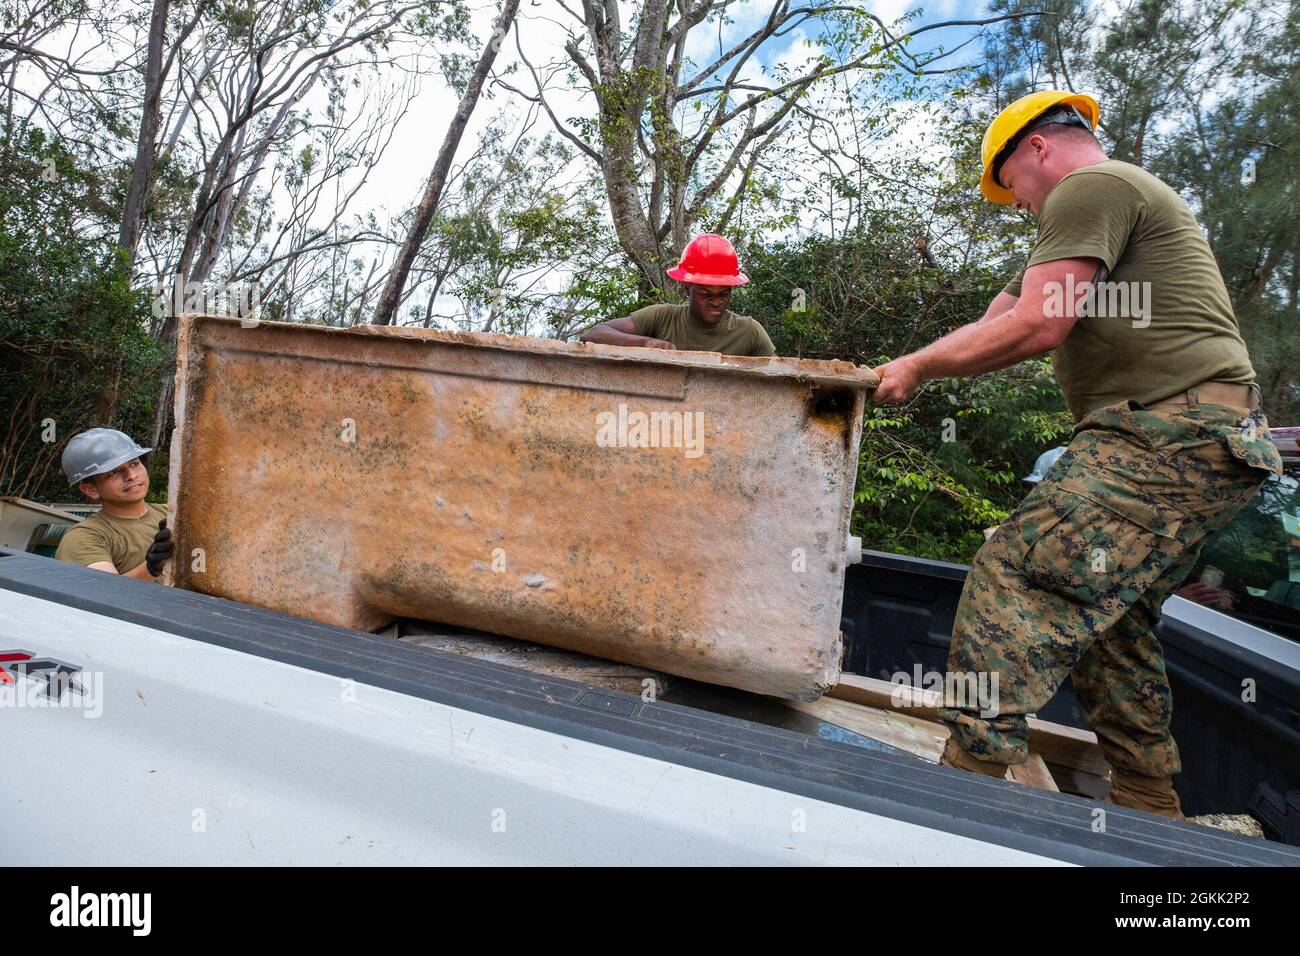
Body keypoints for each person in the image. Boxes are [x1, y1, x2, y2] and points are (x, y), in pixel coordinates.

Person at [871, 90, 1284, 818]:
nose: (1016, 206)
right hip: (1200, 439)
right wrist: (903, 362)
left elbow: (1038, 325)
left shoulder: (1092, 186)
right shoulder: (1095, 213)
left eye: (1011, 188)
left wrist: (916, 370)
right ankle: (1151, 809)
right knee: (1107, 623)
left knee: (1017, 577)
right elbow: (1001, 318)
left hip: (1168, 433)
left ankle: (955, 803)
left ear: (1036, 148)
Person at [580, 234, 776, 357]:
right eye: (706, 294)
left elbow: (782, 378)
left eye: (724, 294)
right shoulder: (662, 317)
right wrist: (646, 343)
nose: (716, 302)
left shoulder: (749, 332)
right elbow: (592, 335)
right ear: (686, 288)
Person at [53, 428, 174, 581]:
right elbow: (105, 593)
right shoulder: (85, 537)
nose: (131, 476)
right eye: (113, 472)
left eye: (134, 464)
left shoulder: (170, 513)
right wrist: (150, 568)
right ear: (90, 489)